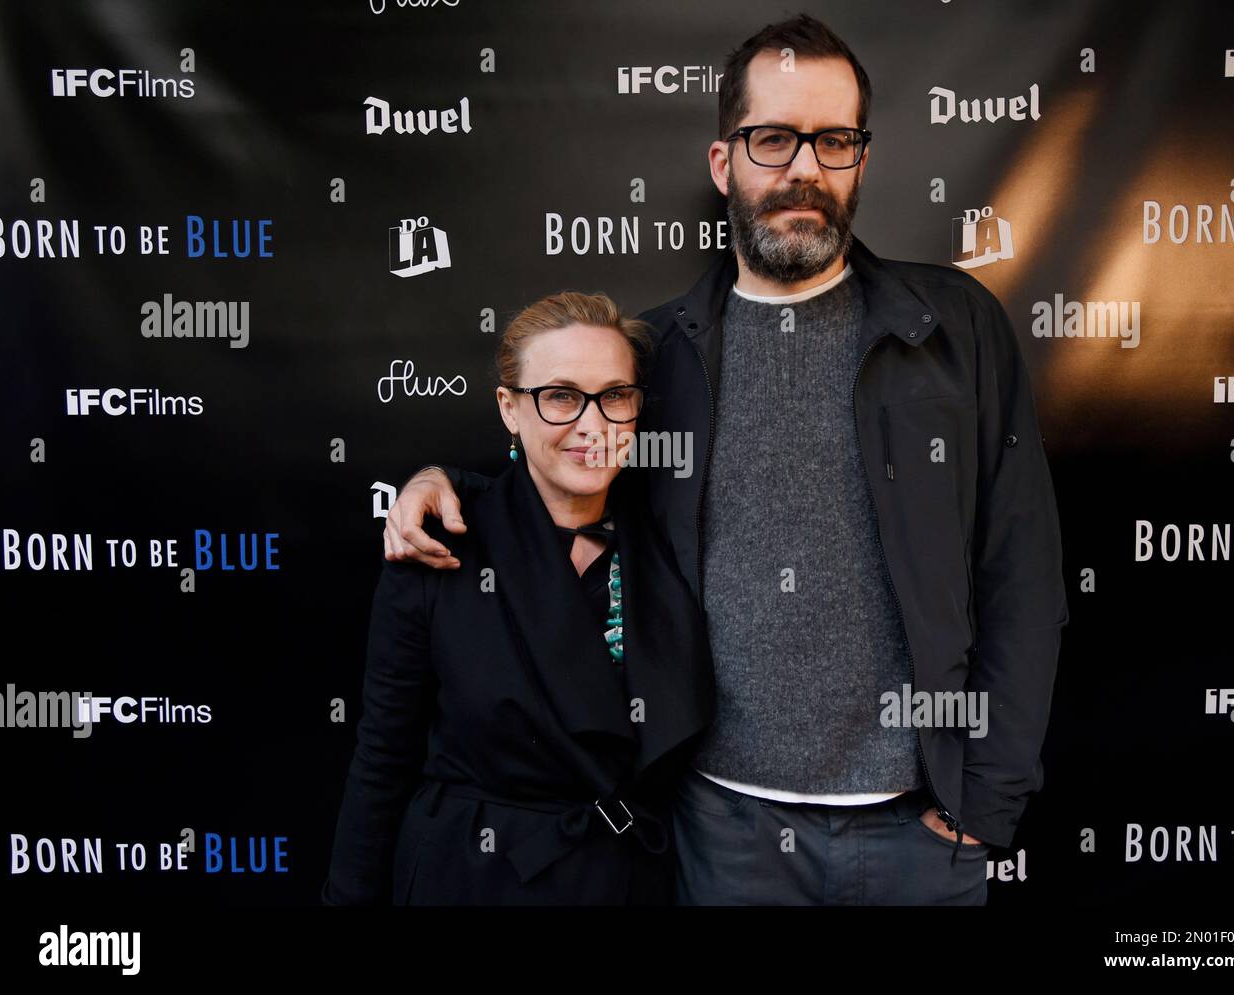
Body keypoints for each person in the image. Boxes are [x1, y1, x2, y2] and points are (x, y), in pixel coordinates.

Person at [380, 14, 1069, 906]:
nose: (803, 169)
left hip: (919, 833)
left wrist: (989, 797)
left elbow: (1023, 565)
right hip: (721, 831)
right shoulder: (660, 353)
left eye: (834, 141)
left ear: (862, 159)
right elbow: (569, 473)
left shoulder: (955, 328)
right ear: (723, 163)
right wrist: (451, 487)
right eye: (773, 138)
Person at [322, 291, 714, 905]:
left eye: (615, 395)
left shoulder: (672, 538)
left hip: (629, 881)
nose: (594, 425)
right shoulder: (439, 548)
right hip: (476, 880)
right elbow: (382, 757)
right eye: (560, 396)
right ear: (510, 408)